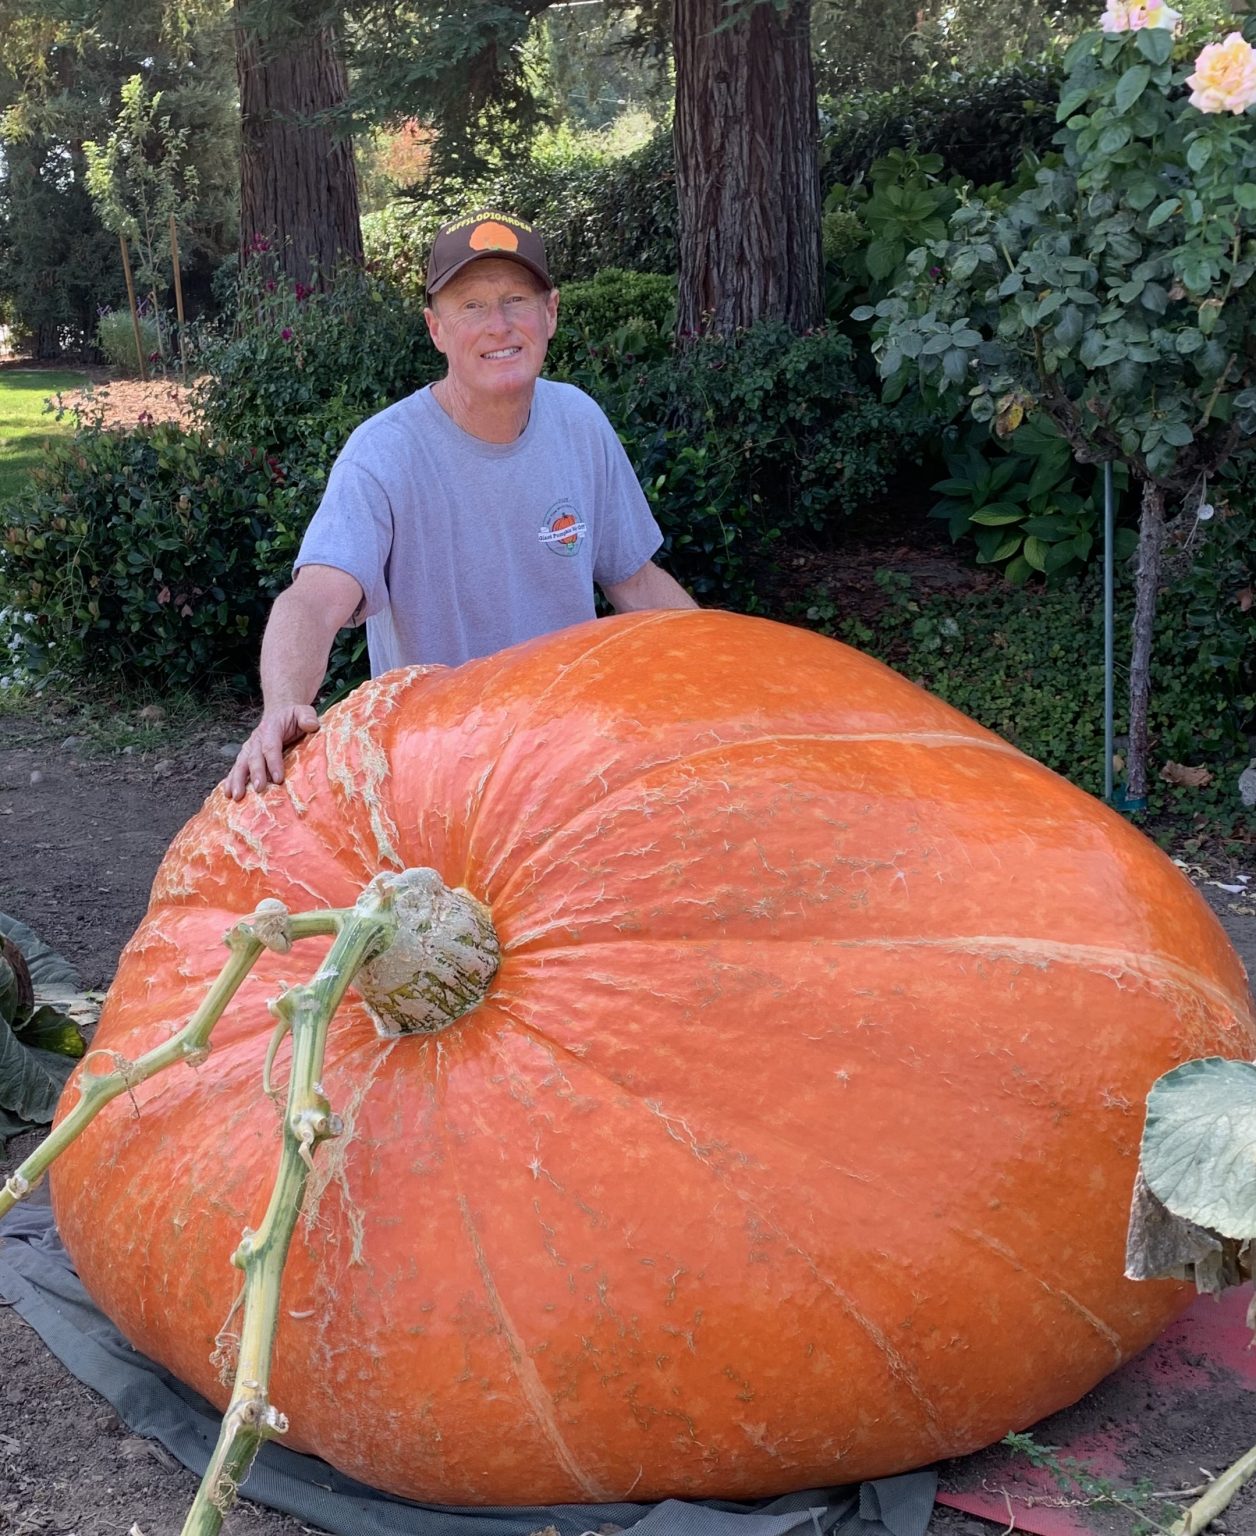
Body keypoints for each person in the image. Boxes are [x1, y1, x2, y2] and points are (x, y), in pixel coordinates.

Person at [223, 210, 696, 800]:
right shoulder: (384, 453)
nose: (498, 325)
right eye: (470, 305)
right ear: (436, 329)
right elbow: (315, 599)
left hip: (568, 757)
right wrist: (285, 703)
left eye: (516, 299)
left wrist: (720, 668)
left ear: (550, 314)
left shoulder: (579, 422)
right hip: (435, 773)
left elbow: (638, 583)